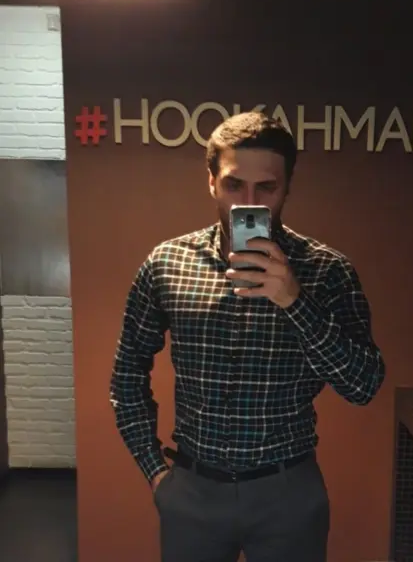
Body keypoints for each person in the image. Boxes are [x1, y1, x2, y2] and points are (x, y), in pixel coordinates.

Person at [110, 111, 386, 562]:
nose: (248, 201)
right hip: (192, 490)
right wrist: (154, 471)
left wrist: (294, 300)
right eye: (235, 184)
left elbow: (364, 385)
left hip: (289, 494)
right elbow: (127, 373)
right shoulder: (167, 263)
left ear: (287, 187)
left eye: (266, 188)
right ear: (212, 182)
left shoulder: (326, 270)